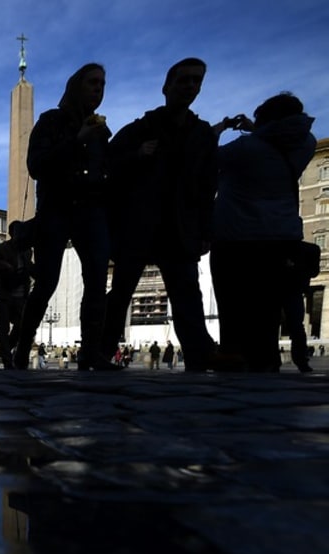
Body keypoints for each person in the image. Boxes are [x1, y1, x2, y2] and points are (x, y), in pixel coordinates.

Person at [101, 58, 219, 372]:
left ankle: (197, 354)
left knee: (187, 295)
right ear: (167, 87)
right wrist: (137, 156)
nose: (190, 86)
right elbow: (107, 167)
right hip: (138, 225)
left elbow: (208, 187)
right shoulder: (140, 129)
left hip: (180, 226)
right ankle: (102, 352)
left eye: (196, 81)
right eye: (184, 80)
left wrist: (205, 230)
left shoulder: (203, 134)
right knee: (122, 292)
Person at [13, 63, 120, 371]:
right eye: (92, 83)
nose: (98, 89)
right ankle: (22, 346)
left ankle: (91, 352)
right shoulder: (51, 121)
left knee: (97, 281)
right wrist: (77, 140)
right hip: (57, 209)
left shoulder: (102, 131)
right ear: (76, 87)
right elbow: (36, 165)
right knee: (46, 283)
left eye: (102, 83)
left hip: (92, 210)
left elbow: (108, 170)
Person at [209, 92, 317, 372]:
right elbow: (277, 141)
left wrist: (221, 127)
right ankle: (266, 360)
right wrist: (258, 129)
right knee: (268, 307)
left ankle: (233, 354)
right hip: (281, 236)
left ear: (268, 120)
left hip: (236, 235)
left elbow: (206, 156)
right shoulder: (306, 144)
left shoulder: (246, 148)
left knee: (233, 300)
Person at [0, 219, 35, 369]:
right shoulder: (2, 249)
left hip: (21, 295)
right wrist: (3, 265)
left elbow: (29, 266)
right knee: (3, 327)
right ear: (11, 233)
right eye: (18, 232)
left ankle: (5, 350)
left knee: (22, 326)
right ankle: (7, 359)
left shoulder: (27, 250)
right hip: (4, 294)